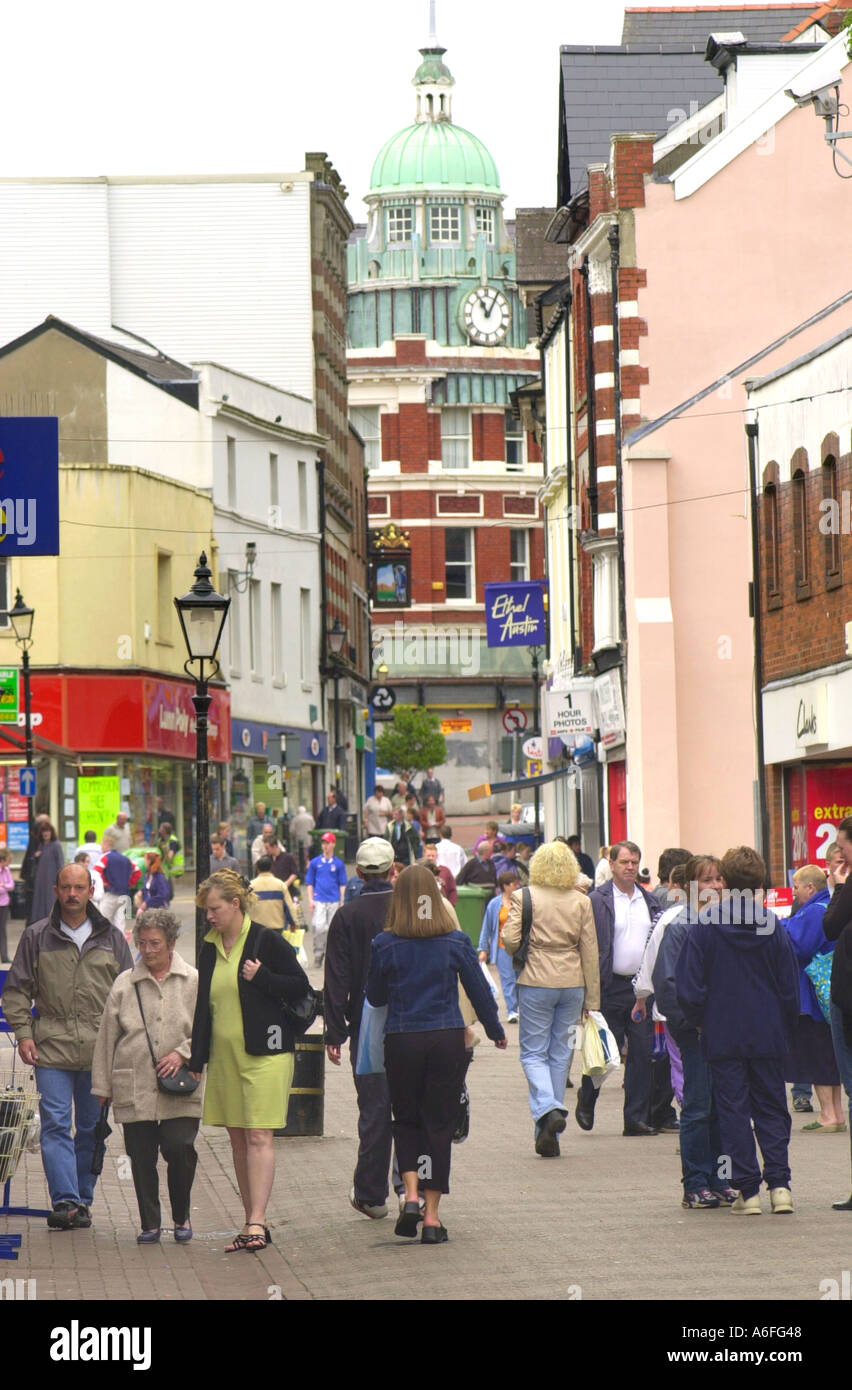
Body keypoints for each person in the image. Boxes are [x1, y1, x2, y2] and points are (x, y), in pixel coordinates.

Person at [365, 864, 506, 1243]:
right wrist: (495, 1032)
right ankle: (431, 1217)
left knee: (406, 1119)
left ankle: (409, 1195)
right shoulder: (455, 941)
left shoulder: (385, 944)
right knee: (438, 1125)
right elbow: (479, 991)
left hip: (402, 1039)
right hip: (445, 1039)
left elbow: (376, 996)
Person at [1, 863, 133, 1229]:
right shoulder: (36, 936)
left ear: (91, 890)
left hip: (99, 1051)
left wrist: (124, 1045)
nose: (72, 895)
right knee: (57, 1125)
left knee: (91, 1129)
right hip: (51, 1049)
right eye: (66, 888)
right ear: (56, 891)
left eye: (79, 887)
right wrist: (25, 1034)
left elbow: (130, 996)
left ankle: (83, 1198)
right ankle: (67, 1201)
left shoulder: (112, 938)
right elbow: (15, 993)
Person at [188, 868, 310, 1252]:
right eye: (206, 910)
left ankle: (257, 1220)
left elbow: (300, 986)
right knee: (238, 1137)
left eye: (214, 908)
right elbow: (202, 1009)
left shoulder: (265, 941)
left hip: (266, 1053)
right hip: (224, 1057)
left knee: (259, 1133)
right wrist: (196, 1057)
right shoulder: (208, 947)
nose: (208, 916)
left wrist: (264, 979)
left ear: (235, 905)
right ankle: (250, 1219)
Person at [676, 845, 799, 1215]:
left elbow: (689, 985)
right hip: (767, 1030)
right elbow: (789, 988)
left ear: (725, 882)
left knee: (732, 1111)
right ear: (760, 883)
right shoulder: (773, 926)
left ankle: (748, 1191)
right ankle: (780, 1186)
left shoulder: (705, 926)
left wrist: (699, 1017)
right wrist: (786, 1025)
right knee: (772, 1108)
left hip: (722, 1030)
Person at [91, 907, 201, 1242]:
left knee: (179, 1147)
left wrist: (183, 1053)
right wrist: (102, 1085)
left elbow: (208, 1031)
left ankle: (181, 1216)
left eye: (155, 943)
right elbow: (107, 1036)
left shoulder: (193, 980)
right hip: (133, 1080)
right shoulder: (125, 983)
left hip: (181, 1083)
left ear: (172, 943)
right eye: (142, 943)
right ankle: (150, 1223)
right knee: (140, 1156)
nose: (148, 950)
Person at [653, 855, 739, 1209]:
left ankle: (722, 1178)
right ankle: (695, 1183)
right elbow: (667, 983)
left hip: (727, 1030)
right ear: (690, 887)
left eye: (719, 879)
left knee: (725, 1107)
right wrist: (694, 1022)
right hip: (696, 1032)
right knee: (699, 1106)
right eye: (707, 880)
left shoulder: (730, 923)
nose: (716, 886)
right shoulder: (681, 926)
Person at [503, 842, 600, 1157]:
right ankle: (548, 1133)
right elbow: (590, 951)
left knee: (532, 1053)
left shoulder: (524, 897)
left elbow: (510, 939)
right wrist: (593, 999)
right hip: (572, 983)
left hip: (536, 980)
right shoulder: (581, 901)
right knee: (561, 1055)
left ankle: (549, 1108)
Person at [577, 840, 676, 1137]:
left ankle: (635, 1118)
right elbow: (587, 945)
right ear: (611, 864)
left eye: (634, 862)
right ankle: (587, 1098)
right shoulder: (597, 900)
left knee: (642, 1054)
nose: (630, 867)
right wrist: (589, 991)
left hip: (640, 990)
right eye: (624, 862)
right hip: (609, 987)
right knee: (604, 1055)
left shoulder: (649, 902)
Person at [324, 837, 400, 1218]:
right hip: (411, 1023)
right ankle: (410, 1187)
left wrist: (334, 1032)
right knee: (410, 1107)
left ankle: (371, 1194)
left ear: (358, 872)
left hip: (367, 1026)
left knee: (374, 1110)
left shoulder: (347, 915)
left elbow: (336, 979)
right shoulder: (410, 911)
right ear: (393, 869)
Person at [785, 864, 844, 1131]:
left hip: (813, 996)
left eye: (796, 887)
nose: (794, 893)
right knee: (830, 1055)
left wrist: (781, 926)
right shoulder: (827, 907)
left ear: (810, 887)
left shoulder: (812, 913)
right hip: (827, 995)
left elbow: (799, 946)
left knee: (817, 1055)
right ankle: (837, 1114)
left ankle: (828, 1115)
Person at [822, 815, 852, 1209]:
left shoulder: (848, 887)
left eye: (843, 848)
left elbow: (830, 927)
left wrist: (839, 888)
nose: (840, 856)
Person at [478, 869, 521, 1023]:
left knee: (521, 979)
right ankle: (512, 1011)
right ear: (505, 886)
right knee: (508, 979)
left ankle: (520, 1007)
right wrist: (483, 949)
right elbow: (487, 927)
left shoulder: (521, 900)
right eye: (513, 884)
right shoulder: (494, 904)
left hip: (519, 947)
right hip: (503, 948)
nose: (516, 886)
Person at [305, 832, 347, 967]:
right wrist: (310, 900)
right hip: (319, 899)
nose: (325, 846)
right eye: (323, 843)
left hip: (334, 899)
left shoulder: (338, 864)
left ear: (333, 844)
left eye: (328, 843)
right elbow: (309, 883)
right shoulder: (315, 862)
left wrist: (342, 901)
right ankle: (318, 954)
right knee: (318, 926)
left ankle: (333, 956)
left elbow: (342, 883)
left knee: (333, 929)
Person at [95, 830, 141, 935]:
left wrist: (105, 883)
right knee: (120, 922)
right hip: (124, 894)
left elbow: (96, 870)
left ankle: (104, 945)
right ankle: (120, 946)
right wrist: (129, 883)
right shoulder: (125, 858)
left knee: (103, 920)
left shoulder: (105, 857)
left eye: (101, 844)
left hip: (110, 893)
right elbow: (137, 871)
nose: (101, 847)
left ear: (106, 845)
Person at [28, 819, 65, 924]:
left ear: (51, 832)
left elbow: (60, 863)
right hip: (40, 880)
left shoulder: (56, 845)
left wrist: (60, 880)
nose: (46, 833)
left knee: (50, 902)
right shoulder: (41, 845)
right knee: (39, 903)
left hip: (51, 879)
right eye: (44, 831)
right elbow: (35, 863)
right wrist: (35, 857)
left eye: (48, 831)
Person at [249, 855, 296, 933]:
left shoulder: (251, 886)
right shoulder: (280, 885)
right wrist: (293, 923)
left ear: (257, 869)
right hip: (276, 929)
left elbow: (245, 907)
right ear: (271, 868)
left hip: (256, 929)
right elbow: (288, 907)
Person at [422, 840, 457, 906]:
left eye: (433, 856)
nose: (431, 858)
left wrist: (450, 905)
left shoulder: (445, 871)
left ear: (437, 856)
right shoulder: (419, 870)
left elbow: (453, 890)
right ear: (424, 855)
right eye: (428, 856)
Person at [157, 822, 184, 895]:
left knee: (168, 890)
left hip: (174, 870)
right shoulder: (161, 840)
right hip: (167, 868)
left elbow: (169, 858)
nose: (159, 830)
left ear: (164, 831)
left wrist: (165, 850)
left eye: (161, 828)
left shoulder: (173, 841)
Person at [289, 805, 315, 873]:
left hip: (299, 840)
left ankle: (303, 869)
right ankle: (307, 867)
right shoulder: (310, 818)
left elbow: (291, 830)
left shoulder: (295, 819)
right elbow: (313, 827)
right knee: (307, 854)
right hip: (309, 839)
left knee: (301, 855)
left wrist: (293, 837)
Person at [0, 848, 13, 961]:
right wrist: (4, 886)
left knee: (2, 930)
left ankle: (4, 956)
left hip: (4, 904)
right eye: (8, 860)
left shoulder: (7, 870)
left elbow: (12, 885)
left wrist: (3, 885)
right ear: (3, 859)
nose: (9, 863)